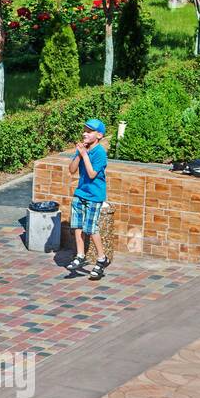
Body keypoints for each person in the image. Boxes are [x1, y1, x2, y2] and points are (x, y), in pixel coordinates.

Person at [66, 119, 111, 279]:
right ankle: (80, 255)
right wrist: (79, 154)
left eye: (89, 131)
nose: (85, 133)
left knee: (91, 228)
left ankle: (101, 258)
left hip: (94, 195)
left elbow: (92, 174)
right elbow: (71, 170)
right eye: (84, 130)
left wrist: (84, 155)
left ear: (99, 135)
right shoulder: (83, 150)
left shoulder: (100, 153)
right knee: (77, 225)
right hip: (80, 193)